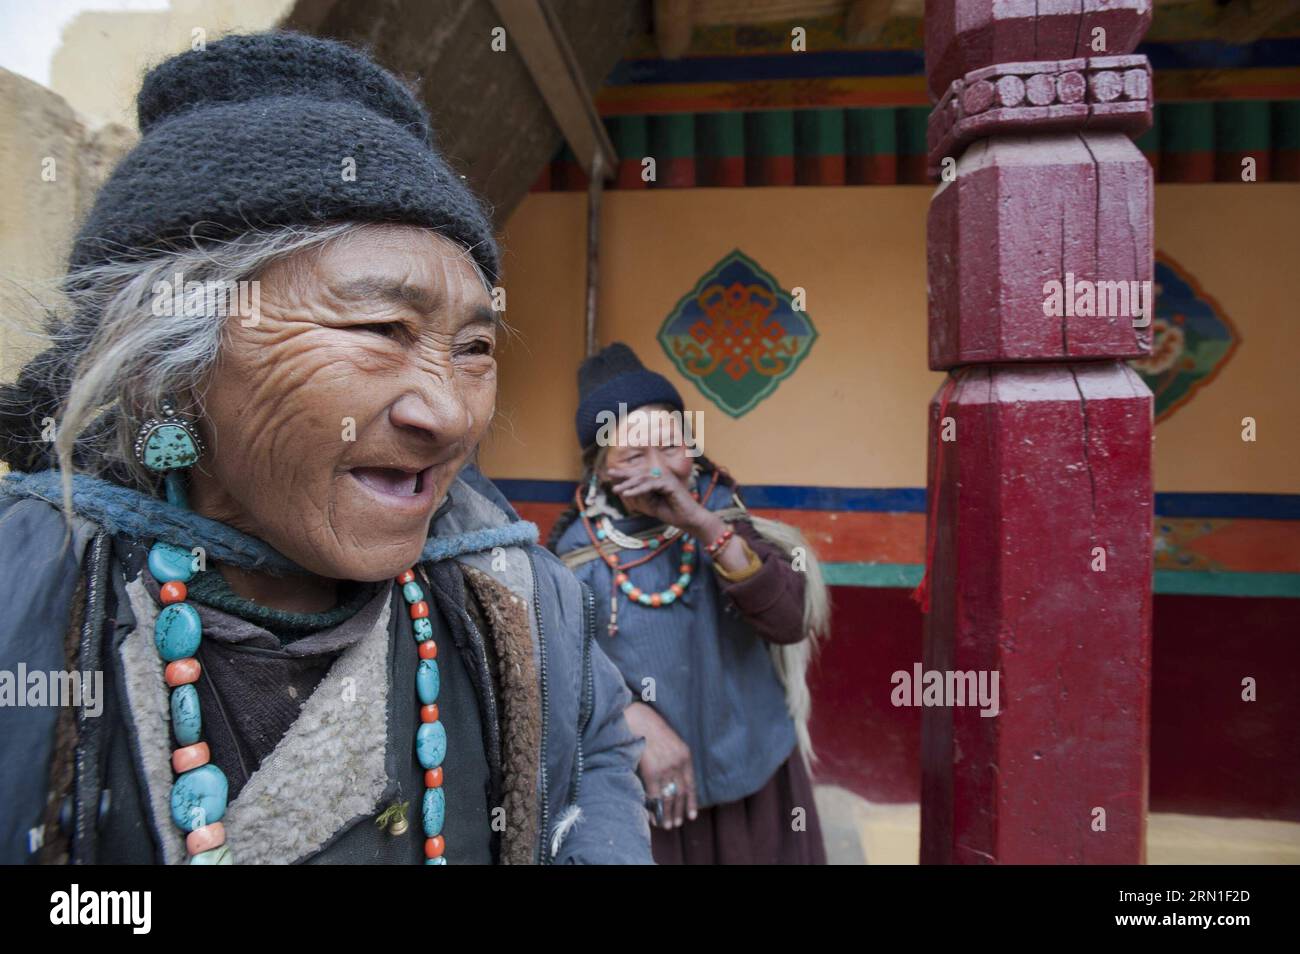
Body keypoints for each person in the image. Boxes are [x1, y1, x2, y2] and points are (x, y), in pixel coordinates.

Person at [0, 32, 651, 865]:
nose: (450, 415)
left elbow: (594, 748)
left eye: (474, 349)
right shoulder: (34, 602)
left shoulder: (518, 594)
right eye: (383, 328)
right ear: (165, 363)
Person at [549, 343, 830, 864]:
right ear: (600, 472)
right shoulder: (574, 559)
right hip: (651, 800)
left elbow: (789, 621)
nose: (660, 472)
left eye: (670, 448)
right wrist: (630, 717)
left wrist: (702, 525)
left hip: (756, 783)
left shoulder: (727, 520)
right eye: (634, 456)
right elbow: (563, 675)